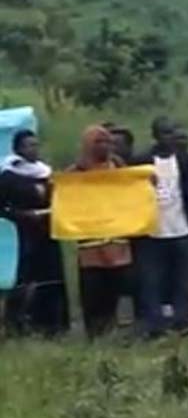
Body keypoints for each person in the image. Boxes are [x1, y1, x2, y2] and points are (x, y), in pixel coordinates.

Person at [131, 117, 188, 338]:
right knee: (151, 279)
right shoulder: (141, 160)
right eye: (165, 133)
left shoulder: (184, 159)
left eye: (172, 132)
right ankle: (154, 324)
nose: (170, 138)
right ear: (155, 136)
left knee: (183, 276)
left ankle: (182, 320)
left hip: (181, 226)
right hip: (151, 229)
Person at [0, 130, 69, 336]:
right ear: (18, 149)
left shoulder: (45, 173)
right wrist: (23, 215)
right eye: (28, 145)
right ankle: (18, 325)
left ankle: (53, 325)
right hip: (24, 234)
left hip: (48, 233)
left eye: (36, 145)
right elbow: (3, 208)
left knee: (52, 278)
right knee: (26, 279)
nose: (33, 149)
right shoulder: (9, 176)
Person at [70, 125, 133, 338]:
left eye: (107, 142)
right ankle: (93, 332)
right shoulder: (76, 171)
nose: (104, 146)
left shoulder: (117, 165)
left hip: (116, 239)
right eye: (98, 142)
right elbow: (64, 197)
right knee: (92, 289)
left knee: (115, 286)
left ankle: (111, 326)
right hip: (90, 242)